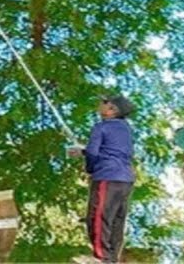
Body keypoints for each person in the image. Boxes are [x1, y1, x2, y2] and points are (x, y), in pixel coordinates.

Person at [68, 95, 136, 264]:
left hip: (107, 177)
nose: (100, 104)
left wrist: (90, 168)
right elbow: (114, 150)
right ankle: (111, 258)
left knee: (98, 217)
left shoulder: (101, 127)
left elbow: (93, 152)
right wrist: (83, 151)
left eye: (105, 103)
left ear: (112, 110)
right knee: (116, 219)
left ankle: (101, 257)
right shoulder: (126, 128)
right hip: (125, 179)